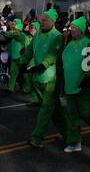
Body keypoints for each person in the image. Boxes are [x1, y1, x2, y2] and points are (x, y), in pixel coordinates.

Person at [60, 17, 90, 153]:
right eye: (71, 28)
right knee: (71, 116)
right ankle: (74, 142)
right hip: (70, 86)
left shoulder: (88, 44)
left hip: (84, 86)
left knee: (87, 113)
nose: (72, 30)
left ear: (81, 29)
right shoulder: (69, 45)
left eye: (75, 28)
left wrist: (88, 78)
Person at [26, 9, 66, 148]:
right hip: (38, 77)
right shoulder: (37, 35)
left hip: (51, 79)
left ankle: (36, 138)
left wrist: (42, 66)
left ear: (53, 22)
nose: (41, 22)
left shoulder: (57, 36)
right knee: (55, 110)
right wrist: (21, 63)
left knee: (45, 109)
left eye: (45, 20)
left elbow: (52, 55)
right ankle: (69, 134)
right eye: (41, 20)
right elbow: (29, 51)